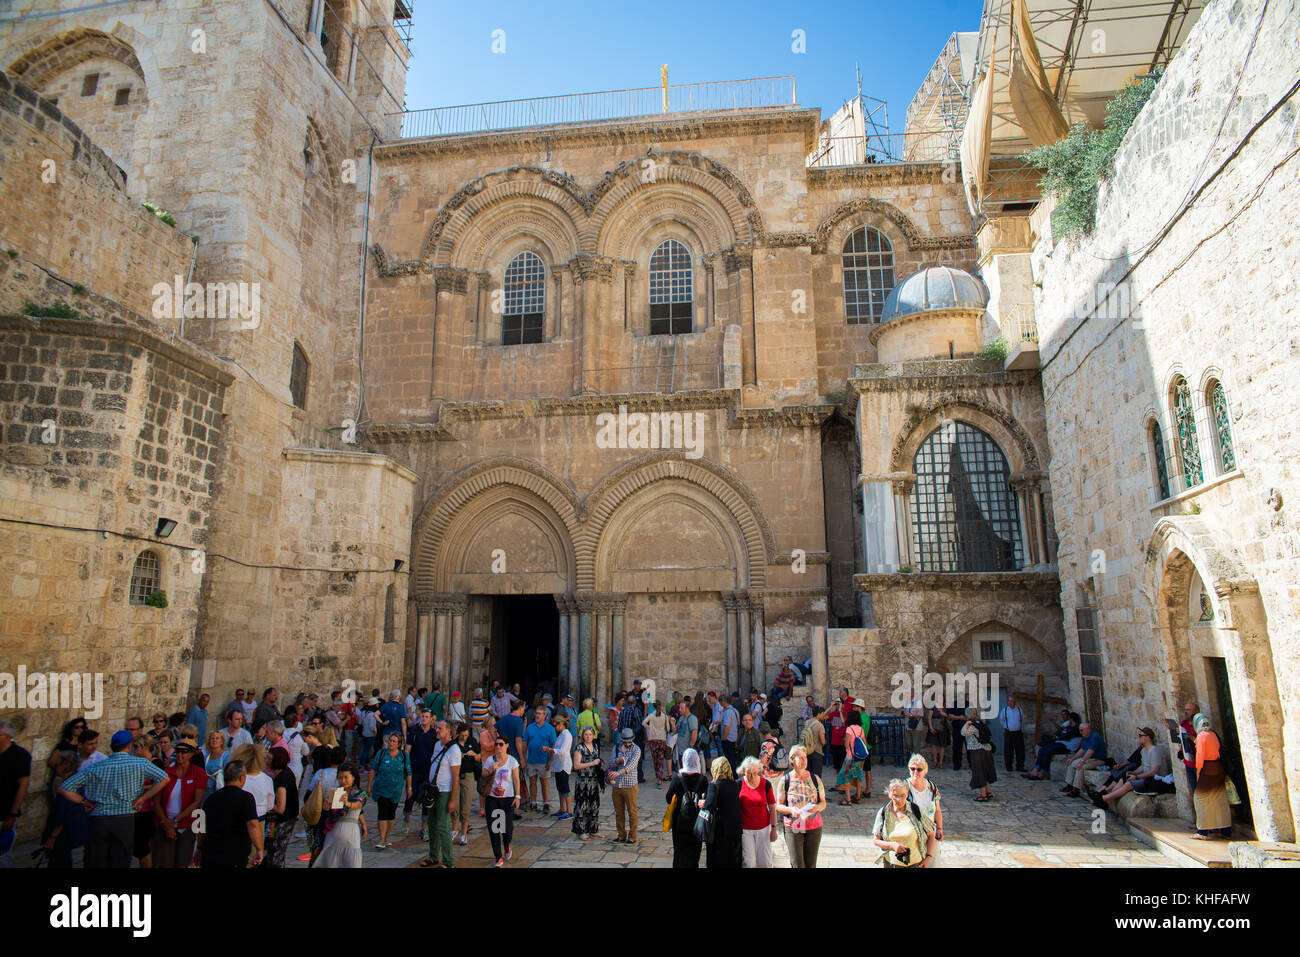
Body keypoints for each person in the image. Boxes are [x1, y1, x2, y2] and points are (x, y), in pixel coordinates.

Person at [56, 729, 169, 868]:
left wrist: (84, 802)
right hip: (125, 819)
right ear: (129, 746)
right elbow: (164, 778)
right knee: (120, 860)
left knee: (96, 860)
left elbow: (64, 788)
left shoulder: (97, 766)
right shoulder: (140, 764)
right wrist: (143, 798)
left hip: (99, 819)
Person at [151, 741, 207, 867]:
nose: (180, 754)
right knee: (165, 862)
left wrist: (175, 821)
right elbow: (156, 801)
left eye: (184, 752)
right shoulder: (166, 772)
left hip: (186, 825)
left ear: (191, 754)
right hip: (165, 824)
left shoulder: (199, 773)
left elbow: (197, 801)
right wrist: (167, 823)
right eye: (178, 751)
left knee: (183, 861)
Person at [197, 759, 262, 868]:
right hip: (235, 855)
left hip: (210, 854)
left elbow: (201, 827)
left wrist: (199, 848)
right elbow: (253, 825)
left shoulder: (211, 799)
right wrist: (259, 849)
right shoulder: (246, 798)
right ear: (242, 778)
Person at [774, 744, 826, 868]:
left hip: (814, 826)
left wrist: (817, 808)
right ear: (792, 760)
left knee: (811, 864)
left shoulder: (815, 779)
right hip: (794, 825)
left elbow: (823, 802)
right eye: (800, 758)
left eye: (805, 757)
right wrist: (791, 809)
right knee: (798, 864)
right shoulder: (785, 780)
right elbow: (778, 806)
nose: (804, 761)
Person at [420, 720, 461, 868]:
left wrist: (452, 800)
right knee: (432, 824)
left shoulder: (454, 750)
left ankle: (448, 861)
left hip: (445, 791)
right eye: (437, 727)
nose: (437, 730)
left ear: (448, 731)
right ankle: (433, 855)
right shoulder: (437, 745)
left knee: (443, 826)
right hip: (433, 790)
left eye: (440, 728)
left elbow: (456, 776)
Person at [1101, 728, 1173, 805]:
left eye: (1140, 735)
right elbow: (1142, 766)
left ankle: (1104, 798)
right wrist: (1133, 773)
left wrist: (1137, 777)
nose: (1139, 737)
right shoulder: (1143, 751)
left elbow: (1153, 772)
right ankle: (1109, 798)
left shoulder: (1154, 751)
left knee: (1129, 784)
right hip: (1145, 778)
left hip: (1154, 780)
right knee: (1122, 780)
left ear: (1148, 737)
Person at [41, 752, 89, 868]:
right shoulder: (77, 780)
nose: (56, 767)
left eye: (58, 765)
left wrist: (52, 837)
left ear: (64, 765)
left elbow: (63, 814)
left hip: (65, 833)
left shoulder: (69, 785)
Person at [872, 778, 935, 868]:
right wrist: (892, 845)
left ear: (907, 794)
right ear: (889, 794)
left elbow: (931, 835)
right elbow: (876, 840)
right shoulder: (883, 813)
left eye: (902, 796)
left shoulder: (915, 810)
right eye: (895, 796)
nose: (899, 800)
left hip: (916, 864)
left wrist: (928, 858)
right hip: (892, 864)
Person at [315, 763, 368, 867]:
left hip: (351, 835)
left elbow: (358, 806)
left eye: (346, 777)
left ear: (353, 778)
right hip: (333, 834)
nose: (342, 781)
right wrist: (326, 806)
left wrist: (347, 803)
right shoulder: (336, 792)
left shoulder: (360, 794)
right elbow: (327, 812)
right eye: (340, 778)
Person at [1191, 713, 1233, 840]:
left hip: (1208, 769)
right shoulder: (1213, 734)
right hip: (1218, 768)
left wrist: (1198, 773)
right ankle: (1225, 830)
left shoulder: (1201, 736)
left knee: (1200, 800)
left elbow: (1200, 756)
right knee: (1220, 800)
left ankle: (1202, 831)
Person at [665, 748, 707, 867]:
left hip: (680, 822)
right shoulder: (702, 780)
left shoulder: (677, 779)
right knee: (694, 853)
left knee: (679, 852)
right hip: (697, 822)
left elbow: (668, 798)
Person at [481, 737, 520, 866]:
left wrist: (517, 796)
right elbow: (483, 775)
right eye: (496, 744)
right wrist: (492, 769)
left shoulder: (512, 761)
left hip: (507, 798)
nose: (498, 747)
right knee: (494, 828)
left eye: (500, 744)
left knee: (507, 828)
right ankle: (498, 857)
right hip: (492, 798)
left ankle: (507, 844)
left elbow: (516, 779)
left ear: (506, 746)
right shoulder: (489, 760)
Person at [368, 732, 411, 849]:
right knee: (382, 812)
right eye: (390, 741)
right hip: (381, 788)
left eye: (394, 741)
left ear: (399, 744)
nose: (391, 743)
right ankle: (382, 839)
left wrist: (409, 787)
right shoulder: (381, 754)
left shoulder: (403, 756)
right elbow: (373, 770)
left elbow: (408, 772)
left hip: (396, 790)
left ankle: (387, 837)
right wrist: (369, 786)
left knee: (391, 814)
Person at [258, 747, 298, 867]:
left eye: (269, 758)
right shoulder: (286, 773)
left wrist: (265, 803)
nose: (266, 760)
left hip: (282, 822)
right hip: (286, 819)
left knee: (276, 853)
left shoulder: (282, 779)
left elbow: (280, 808)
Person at [0, 722, 33, 867]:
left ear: (6, 736)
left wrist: (12, 814)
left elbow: (23, 784)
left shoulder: (20, 755)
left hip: (4, 812)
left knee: (3, 854)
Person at [701, 756, 742, 868]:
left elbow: (709, 804)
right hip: (735, 831)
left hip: (719, 832)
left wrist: (702, 803)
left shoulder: (714, 786)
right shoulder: (736, 785)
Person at [736, 756, 777, 868]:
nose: (752, 776)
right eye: (749, 773)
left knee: (765, 862)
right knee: (749, 863)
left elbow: (772, 807)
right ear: (743, 772)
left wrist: (773, 828)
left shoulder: (766, 784)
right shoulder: (738, 785)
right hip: (746, 829)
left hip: (763, 829)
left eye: (755, 773)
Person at [905, 755, 943, 865]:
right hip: (912, 833)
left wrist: (939, 828)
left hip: (930, 832)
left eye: (919, 769)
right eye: (912, 769)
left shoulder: (932, 787)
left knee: (932, 862)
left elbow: (938, 810)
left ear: (925, 771)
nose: (915, 772)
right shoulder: (905, 787)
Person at [406, 709, 437, 840]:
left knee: (425, 799)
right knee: (410, 796)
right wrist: (407, 769)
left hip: (427, 771)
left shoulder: (434, 734)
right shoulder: (414, 732)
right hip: (414, 769)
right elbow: (407, 751)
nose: (424, 719)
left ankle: (424, 828)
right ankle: (406, 819)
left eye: (426, 717)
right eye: (422, 716)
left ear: (431, 719)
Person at [1023, 710, 1082, 780]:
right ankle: (1036, 770)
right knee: (1042, 749)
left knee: (1047, 752)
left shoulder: (1076, 728)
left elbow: (1065, 736)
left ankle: (1042, 772)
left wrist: (1062, 735)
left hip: (1068, 747)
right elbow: (1060, 733)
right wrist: (1062, 735)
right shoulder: (1070, 727)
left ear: (1071, 719)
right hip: (1062, 743)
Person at [608, 729, 641, 846]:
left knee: (632, 811)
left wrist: (622, 762)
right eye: (625, 742)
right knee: (619, 812)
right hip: (617, 784)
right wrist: (615, 765)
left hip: (630, 784)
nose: (627, 744)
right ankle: (621, 835)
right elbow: (611, 763)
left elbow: (631, 765)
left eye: (629, 741)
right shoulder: (616, 748)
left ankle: (632, 836)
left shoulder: (636, 749)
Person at [523, 705, 557, 813]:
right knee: (532, 781)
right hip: (532, 759)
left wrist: (550, 760)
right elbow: (525, 742)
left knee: (544, 782)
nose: (537, 715)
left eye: (539, 713)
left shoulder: (550, 729)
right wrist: (524, 757)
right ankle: (533, 802)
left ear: (544, 715)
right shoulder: (530, 727)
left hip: (543, 759)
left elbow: (553, 745)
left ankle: (546, 802)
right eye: (536, 713)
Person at [571, 726, 603, 841]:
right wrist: (592, 763)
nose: (588, 736)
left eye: (590, 734)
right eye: (586, 734)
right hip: (583, 781)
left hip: (593, 781)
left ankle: (593, 829)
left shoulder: (594, 746)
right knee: (582, 806)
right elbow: (576, 766)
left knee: (594, 805)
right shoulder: (580, 748)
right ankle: (581, 830)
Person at [1060, 721, 1107, 798]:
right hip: (1091, 759)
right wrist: (1072, 759)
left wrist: (1082, 762)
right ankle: (1070, 784)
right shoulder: (1086, 737)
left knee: (1080, 767)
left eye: (1082, 730)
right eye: (1080, 730)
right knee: (1073, 763)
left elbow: (1090, 751)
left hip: (1098, 760)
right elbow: (1082, 750)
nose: (1080, 732)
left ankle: (1077, 789)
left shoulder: (1094, 737)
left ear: (1088, 729)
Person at [961, 708, 998, 801]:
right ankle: (988, 792)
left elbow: (963, 733)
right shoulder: (980, 723)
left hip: (977, 751)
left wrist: (966, 723)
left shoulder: (972, 725)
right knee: (986, 771)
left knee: (979, 772)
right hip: (987, 749)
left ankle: (983, 795)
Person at [837, 713, 867, 804]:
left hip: (850, 756)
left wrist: (845, 741)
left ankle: (848, 799)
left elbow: (847, 744)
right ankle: (858, 796)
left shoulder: (849, 729)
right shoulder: (861, 729)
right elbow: (864, 743)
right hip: (860, 758)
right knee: (858, 776)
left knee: (846, 776)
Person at [549, 715, 573, 820]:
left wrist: (550, 750)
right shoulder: (561, 735)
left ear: (560, 724)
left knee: (565, 788)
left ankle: (569, 810)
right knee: (560, 788)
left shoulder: (567, 735)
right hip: (558, 764)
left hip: (564, 764)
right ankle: (562, 809)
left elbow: (562, 750)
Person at [642, 701, 671, 786]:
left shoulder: (651, 716)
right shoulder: (664, 716)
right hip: (662, 739)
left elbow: (643, 723)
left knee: (655, 760)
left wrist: (650, 727)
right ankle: (660, 777)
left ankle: (657, 776)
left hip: (653, 739)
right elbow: (668, 729)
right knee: (660, 759)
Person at [1176, 701, 1200, 794]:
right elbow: (1180, 739)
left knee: (1202, 791)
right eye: (1185, 709)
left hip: (1198, 762)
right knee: (1195, 791)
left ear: (1196, 711)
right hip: (1188, 762)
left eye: (1188, 710)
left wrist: (1189, 736)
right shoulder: (1184, 723)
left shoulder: (1199, 724)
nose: (1186, 712)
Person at [1000, 694, 1027, 772]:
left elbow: (1022, 720)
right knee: (1008, 750)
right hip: (1009, 732)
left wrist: (1018, 727)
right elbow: (1001, 720)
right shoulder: (1004, 710)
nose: (1011, 702)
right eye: (1009, 701)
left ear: (1015, 702)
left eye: (1012, 701)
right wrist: (1006, 727)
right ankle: (1009, 766)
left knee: (1020, 750)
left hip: (1018, 732)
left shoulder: (1019, 710)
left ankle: (1020, 766)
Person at [672, 700, 699, 771]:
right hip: (681, 750)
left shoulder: (692, 718)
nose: (679, 710)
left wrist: (691, 747)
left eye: (681, 708)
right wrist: (673, 724)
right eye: (679, 708)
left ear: (687, 709)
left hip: (687, 750)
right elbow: (675, 731)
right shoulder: (681, 718)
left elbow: (694, 733)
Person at [799, 709, 826, 778]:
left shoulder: (807, 722)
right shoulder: (820, 725)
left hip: (806, 750)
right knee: (816, 775)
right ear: (819, 714)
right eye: (823, 714)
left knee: (808, 773)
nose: (824, 716)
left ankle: (808, 787)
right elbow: (823, 742)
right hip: (816, 751)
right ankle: (816, 788)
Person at [719, 695, 741, 771]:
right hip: (734, 737)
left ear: (724, 702)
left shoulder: (728, 712)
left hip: (728, 739)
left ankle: (732, 775)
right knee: (732, 758)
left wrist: (724, 738)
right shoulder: (735, 710)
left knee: (729, 758)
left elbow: (727, 726)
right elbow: (738, 723)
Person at [925, 703, 949, 769]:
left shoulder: (945, 708)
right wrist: (931, 727)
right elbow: (929, 718)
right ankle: (935, 762)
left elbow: (949, 716)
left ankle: (941, 763)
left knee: (942, 745)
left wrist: (943, 714)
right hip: (934, 728)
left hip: (943, 728)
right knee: (933, 745)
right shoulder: (933, 707)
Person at [358, 697, 379, 769]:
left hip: (364, 733)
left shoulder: (364, 712)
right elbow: (372, 726)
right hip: (370, 734)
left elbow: (361, 722)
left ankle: (366, 764)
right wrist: (375, 733)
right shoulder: (372, 714)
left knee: (365, 749)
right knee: (366, 750)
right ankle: (362, 765)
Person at [826, 697, 846, 771]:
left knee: (843, 764)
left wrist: (840, 711)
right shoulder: (833, 713)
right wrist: (831, 707)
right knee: (836, 766)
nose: (837, 706)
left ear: (843, 705)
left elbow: (843, 721)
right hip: (834, 741)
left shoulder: (846, 713)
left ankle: (843, 781)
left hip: (843, 742)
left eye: (839, 704)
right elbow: (823, 716)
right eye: (836, 704)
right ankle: (839, 781)